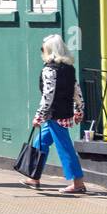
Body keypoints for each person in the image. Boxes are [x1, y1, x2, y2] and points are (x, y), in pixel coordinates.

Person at [23, 34, 87, 194]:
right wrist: (79, 110)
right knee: (40, 143)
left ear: (49, 50)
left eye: (43, 48)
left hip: (54, 115)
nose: (42, 51)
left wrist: (39, 115)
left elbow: (48, 95)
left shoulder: (49, 69)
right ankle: (34, 177)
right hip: (63, 113)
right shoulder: (69, 68)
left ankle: (78, 183)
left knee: (65, 148)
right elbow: (76, 90)